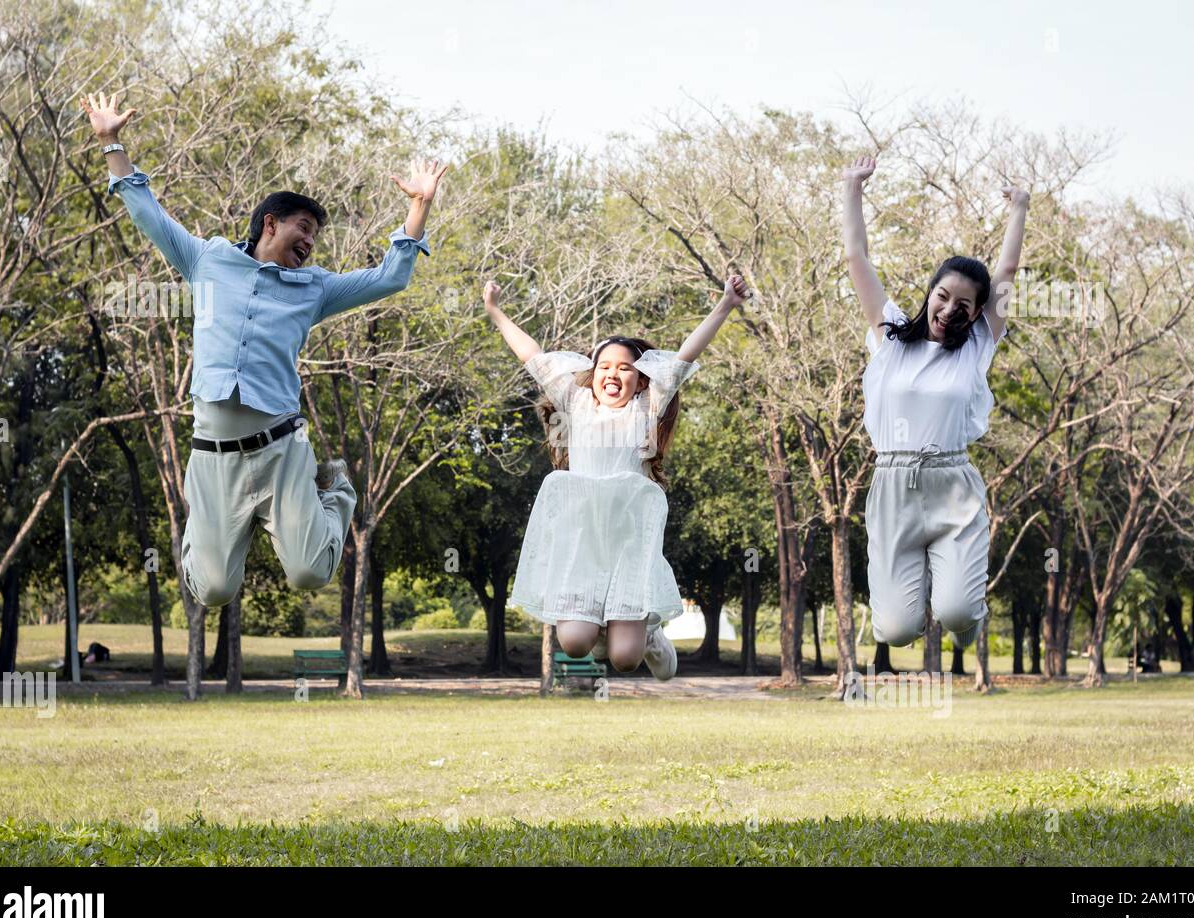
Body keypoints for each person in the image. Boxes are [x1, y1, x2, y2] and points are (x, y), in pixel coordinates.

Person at [81, 91, 446, 606]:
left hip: (280, 452)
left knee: (310, 573)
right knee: (212, 590)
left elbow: (390, 277)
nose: (310, 242)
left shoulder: (315, 287)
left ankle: (335, 488)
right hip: (213, 460)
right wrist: (111, 141)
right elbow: (147, 213)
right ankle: (206, 534)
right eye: (304, 228)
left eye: (315, 236)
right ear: (271, 223)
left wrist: (419, 206)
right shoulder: (206, 260)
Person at [484, 275, 749, 679]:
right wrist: (496, 312)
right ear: (593, 372)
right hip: (582, 546)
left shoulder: (646, 408)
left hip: (627, 548)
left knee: (625, 659)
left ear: (640, 378)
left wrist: (726, 304)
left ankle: (651, 633)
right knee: (574, 643)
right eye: (604, 365)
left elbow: (685, 355)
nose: (613, 373)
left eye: (624, 367)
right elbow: (532, 356)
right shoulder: (575, 400)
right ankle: (613, 623)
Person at [842, 154, 1029, 650]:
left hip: (952, 485)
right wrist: (853, 188)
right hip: (893, 486)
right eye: (943, 296)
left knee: (957, 611)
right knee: (898, 631)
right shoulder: (890, 339)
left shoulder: (976, 346)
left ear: (976, 313)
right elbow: (857, 258)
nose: (949, 310)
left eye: (963, 305)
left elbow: (1006, 269)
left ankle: (968, 618)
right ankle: (932, 615)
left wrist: (1019, 209)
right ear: (930, 293)